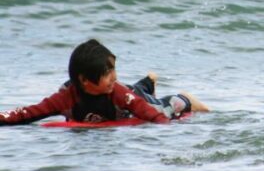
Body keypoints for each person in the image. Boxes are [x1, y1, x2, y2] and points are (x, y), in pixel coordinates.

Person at [0, 39, 209, 125]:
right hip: (126, 94)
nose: (114, 76)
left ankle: (183, 96)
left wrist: (168, 127)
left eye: (114, 70)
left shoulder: (115, 90)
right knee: (135, 88)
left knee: (162, 107)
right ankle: (148, 81)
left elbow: (145, 111)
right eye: (108, 72)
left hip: (129, 100)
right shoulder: (66, 97)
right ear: (84, 80)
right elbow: (29, 113)